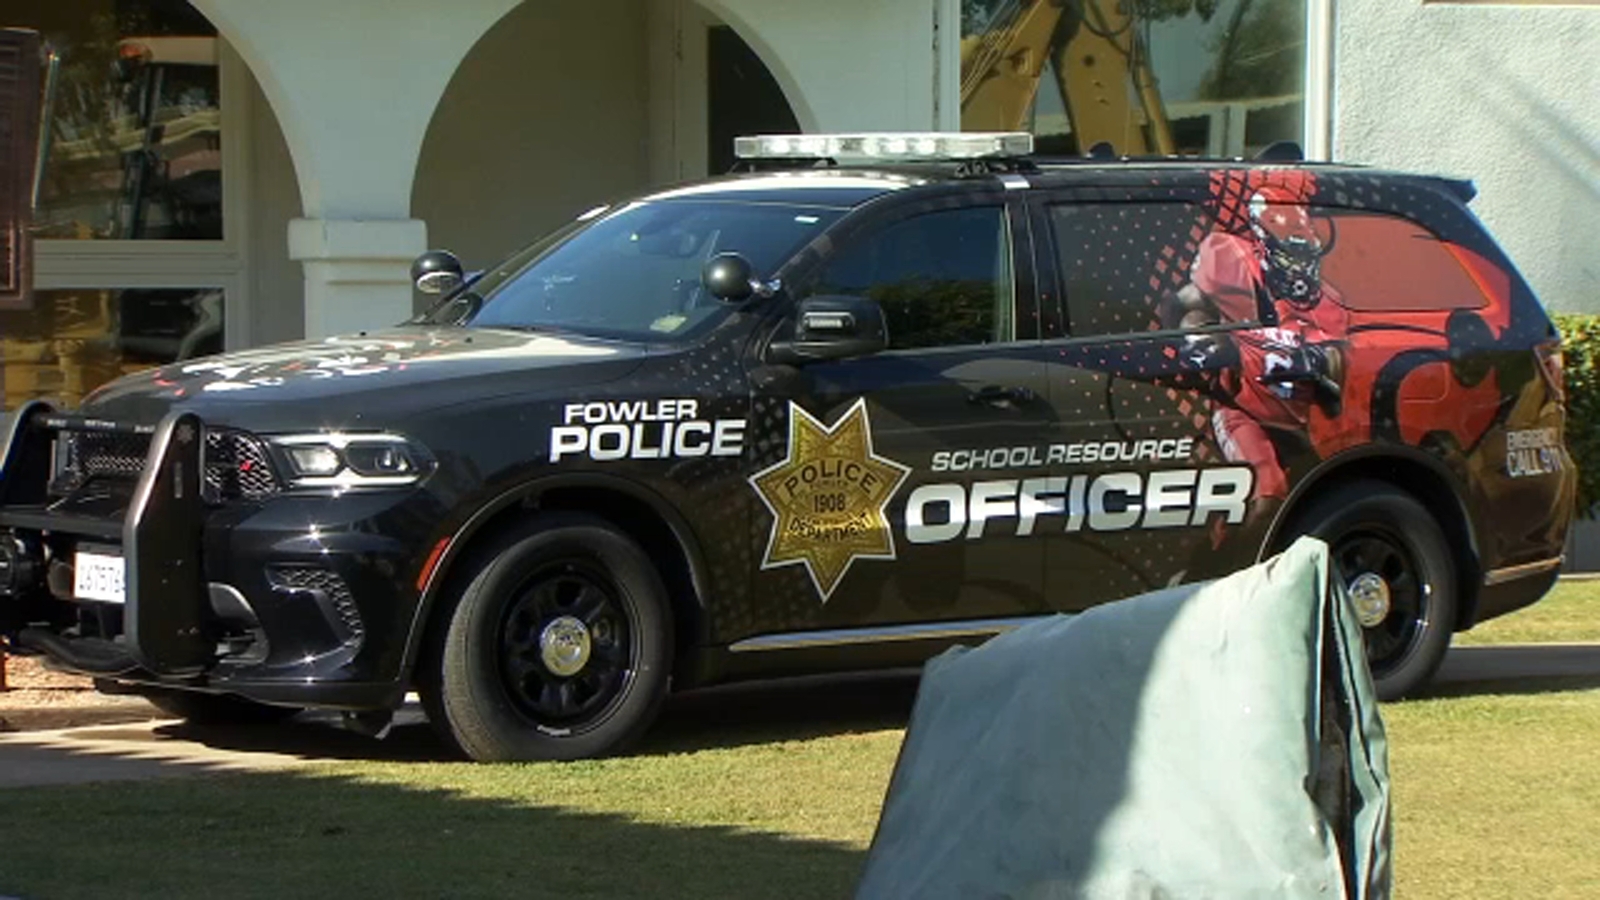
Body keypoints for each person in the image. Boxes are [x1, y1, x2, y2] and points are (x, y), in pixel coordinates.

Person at [1169, 186, 1350, 520]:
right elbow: (1182, 306)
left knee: (1307, 509)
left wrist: (1319, 363)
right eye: (1288, 252)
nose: (1298, 265)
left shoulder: (1328, 301)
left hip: (1296, 420)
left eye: (1304, 252)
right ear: (1263, 244)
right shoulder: (1230, 262)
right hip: (1243, 409)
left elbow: (1337, 378)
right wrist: (1194, 334)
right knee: (1268, 493)